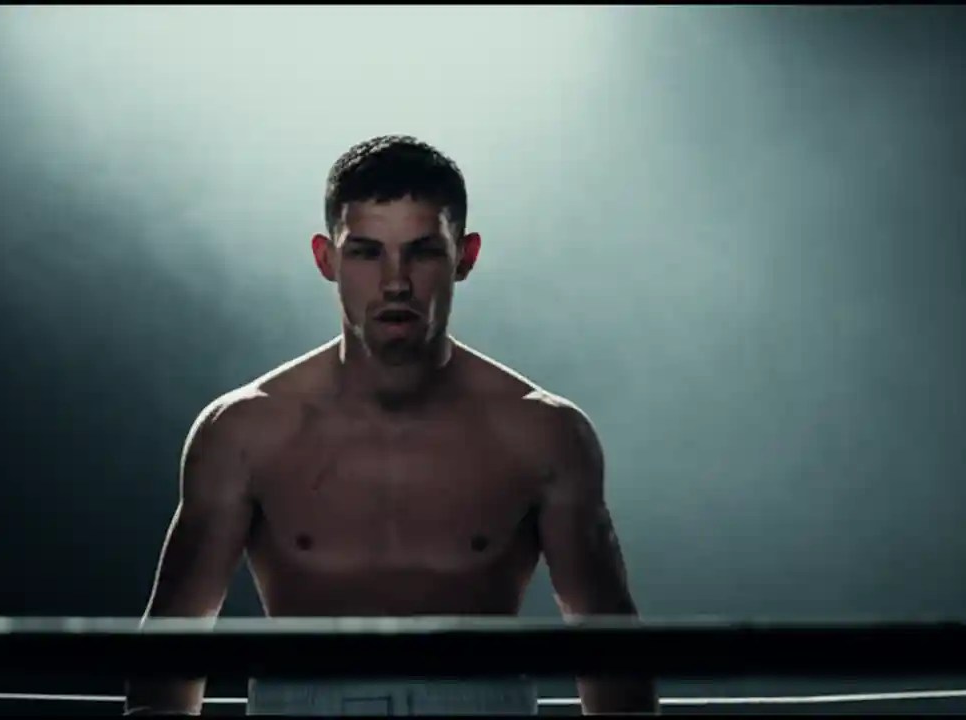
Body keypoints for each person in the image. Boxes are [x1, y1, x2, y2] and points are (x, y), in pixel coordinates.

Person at [124, 135, 657, 715]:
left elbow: (610, 653)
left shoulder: (545, 434)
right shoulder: (244, 431)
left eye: (422, 251)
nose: (396, 281)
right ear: (327, 259)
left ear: (466, 256)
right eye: (366, 252)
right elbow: (173, 646)